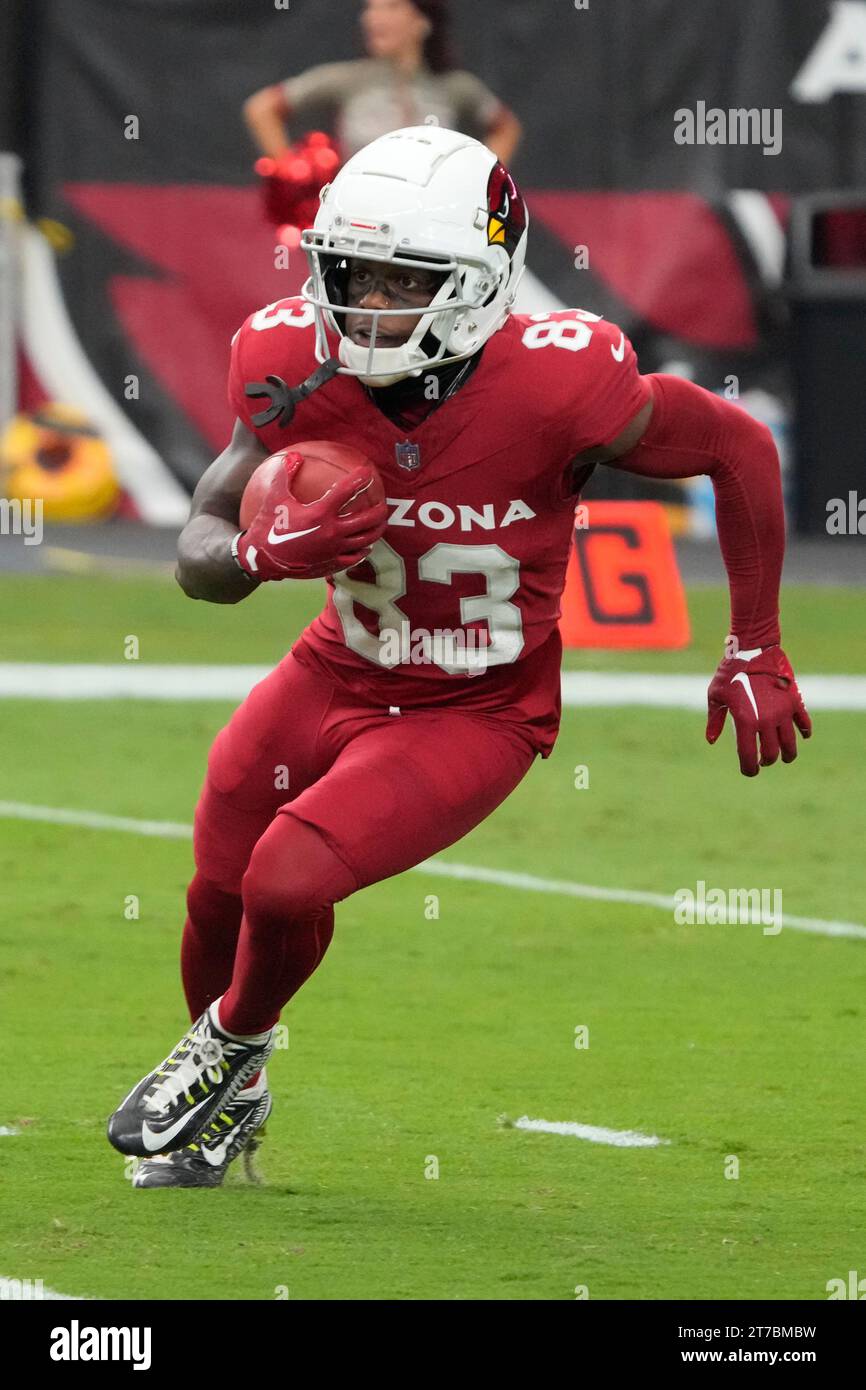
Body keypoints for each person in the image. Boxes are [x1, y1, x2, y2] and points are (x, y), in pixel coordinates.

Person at [107, 125, 811, 1187]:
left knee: (287, 878)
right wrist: (251, 550)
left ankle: (231, 1043)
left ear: (478, 285)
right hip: (335, 665)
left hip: (473, 704)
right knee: (216, 886)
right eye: (350, 275)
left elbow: (734, 445)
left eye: (401, 280)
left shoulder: (559, 385)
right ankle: (234, 1107)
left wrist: (752, 643)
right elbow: (198, 551)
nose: (366, 305)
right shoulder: (288, 360)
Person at [243, 0, 521, 164]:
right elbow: (262, 108)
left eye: (391, 6)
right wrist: (293, 175)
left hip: (432, 232)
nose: (373, 17)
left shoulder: (455, 88)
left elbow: (506, 127)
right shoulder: (348, 80)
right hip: (359, 228)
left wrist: (481, 182)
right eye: (370, 7)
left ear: (422, 21)